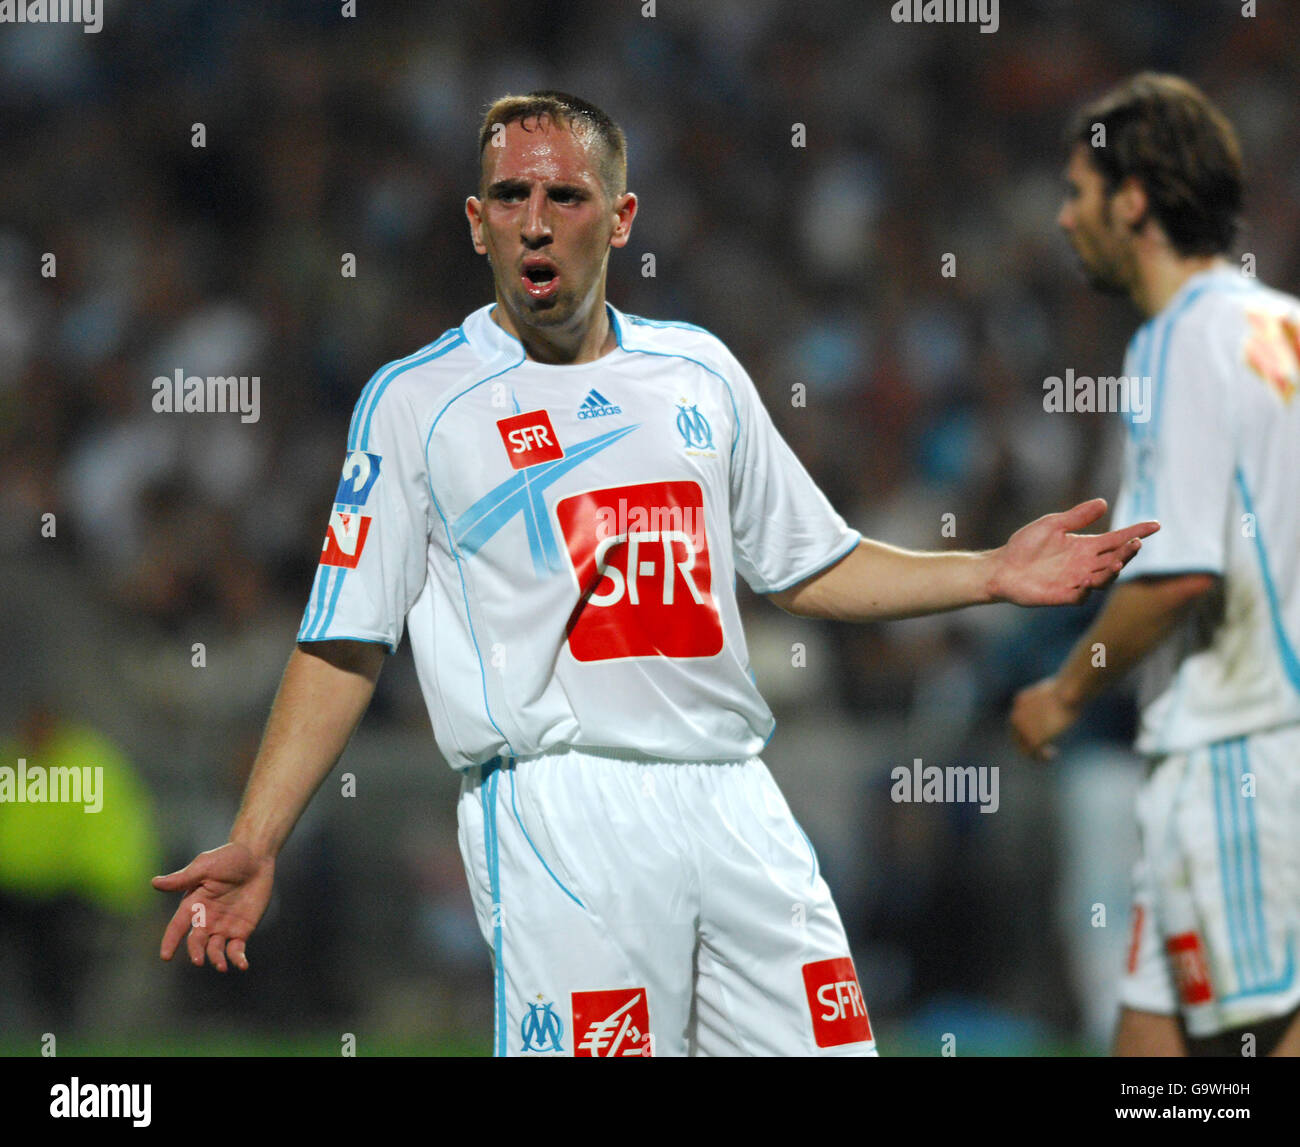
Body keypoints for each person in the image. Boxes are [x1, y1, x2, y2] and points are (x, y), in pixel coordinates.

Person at [155, 90, 1156, 1057]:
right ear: (475, 223)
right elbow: (345, 634)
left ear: (621, 217)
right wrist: (259, 832)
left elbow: (810, 561)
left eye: (565, 197)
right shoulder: (419, 402)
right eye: (510, 198)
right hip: (563, 802)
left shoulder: (698, 372)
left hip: (733, 794)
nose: (534, 223)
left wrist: (988, 570)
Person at [1010, 73, 1300, 1057]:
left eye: (1077, 192)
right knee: (1149, 1045)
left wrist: (1061, 691)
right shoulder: (1283, 328)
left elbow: (1177, 575)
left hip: (1237, 747)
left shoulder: (1176, 341)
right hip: (1239, 749)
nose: (1061, 217)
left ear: (1132, 199)